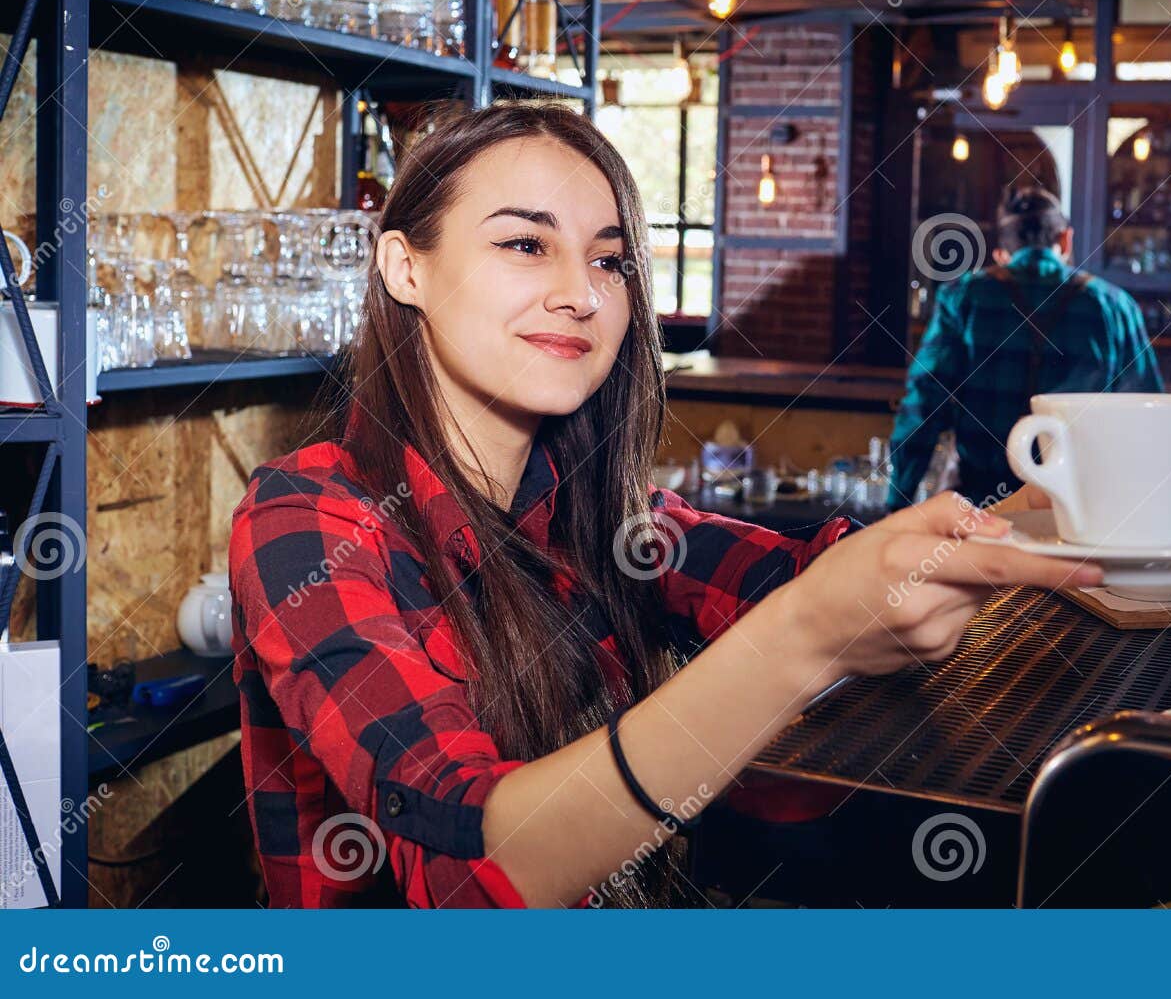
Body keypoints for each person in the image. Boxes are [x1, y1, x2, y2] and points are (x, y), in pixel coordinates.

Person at [229, 104, 1101, 909]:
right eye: (527, 245)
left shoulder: (605, 512)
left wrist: (1007, 531)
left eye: (609, 259)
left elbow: (795, 574)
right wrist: (804, 634)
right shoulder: (309, 520)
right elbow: (471, 866)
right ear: (404, 266)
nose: (583, 292)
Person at [890, 187, 1163, 509]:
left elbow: (924, 404)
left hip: (984, 511)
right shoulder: (1115, 306)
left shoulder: (964, 297)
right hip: (1077, 509)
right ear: (1065, 240)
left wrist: (898, 500)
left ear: (1001, 253)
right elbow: (1148, 416)